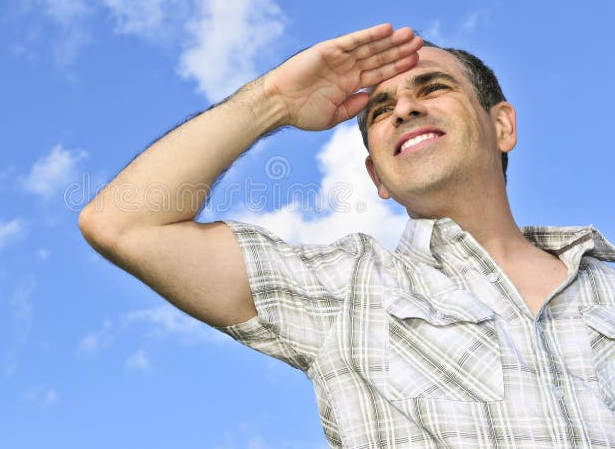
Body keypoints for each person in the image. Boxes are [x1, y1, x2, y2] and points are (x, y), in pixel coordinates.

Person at [77, 24, 615, 447]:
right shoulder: (346, 290)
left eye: (434, 87)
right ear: (377, 176)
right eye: (382, 110)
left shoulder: (606, 289)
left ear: (502, 126)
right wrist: (274, 101)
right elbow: (123, 223)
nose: (404, 107)